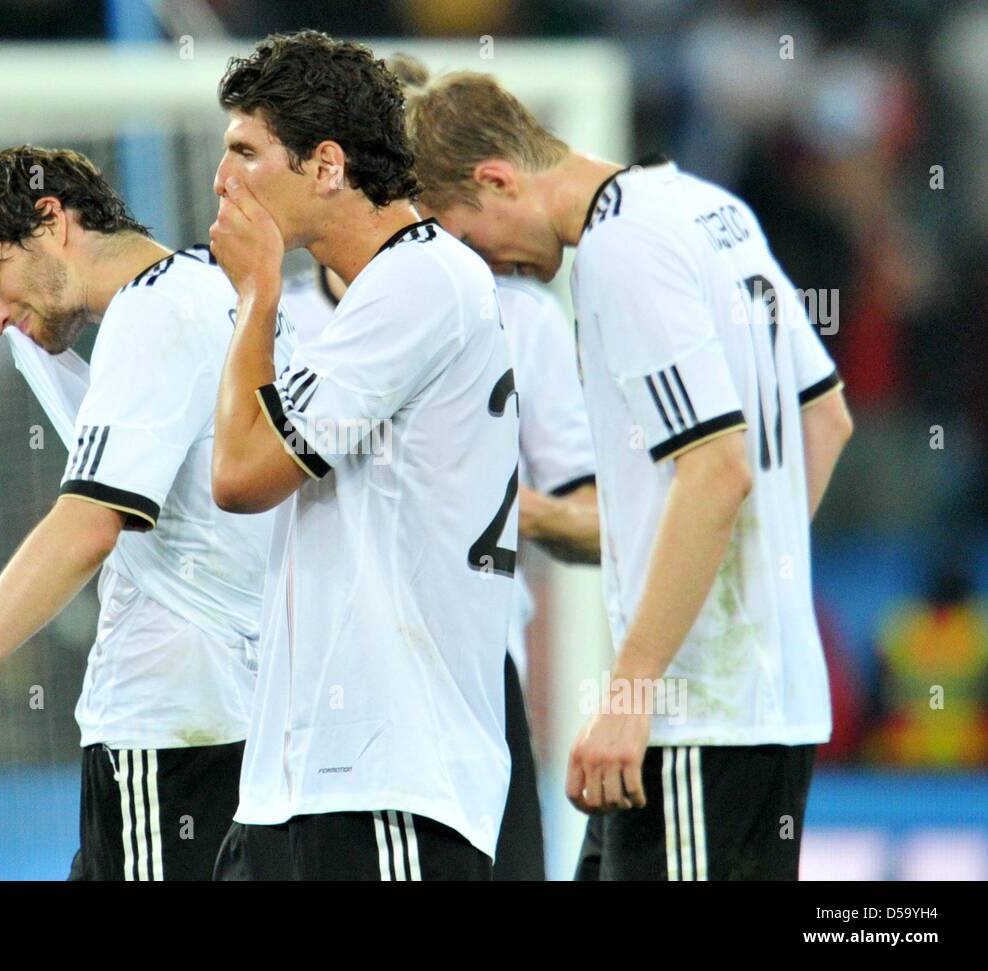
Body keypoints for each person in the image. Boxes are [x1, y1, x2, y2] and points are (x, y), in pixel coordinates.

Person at [403, 72, 853, 880]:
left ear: (496, 179)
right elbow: (827, 418)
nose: (487, 269)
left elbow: (717, 469)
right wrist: (757, 583)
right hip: (758, 702)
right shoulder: (711, 211)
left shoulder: (622, 250)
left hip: (696, 712)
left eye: (467, 240)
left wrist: (633, 683)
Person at [0, 146, 291, 880]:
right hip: (242, 720)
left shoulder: (155, 315)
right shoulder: (216, 294)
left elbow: (86, 526)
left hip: (168, 734)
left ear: (50, 220)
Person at [207, 30, 518, 880]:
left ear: (328, 165)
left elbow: (240, 476)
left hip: (384, 789)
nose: (222, 182)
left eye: (246, 153)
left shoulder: (423, 283)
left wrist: (256, 296)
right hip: (299, 786)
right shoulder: (386, 295)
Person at [281, 260, 599, 882]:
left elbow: (597, 521)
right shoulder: (272, 316)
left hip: (468, 691)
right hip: (302, 692)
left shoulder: (513, 312)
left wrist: (490, 498)